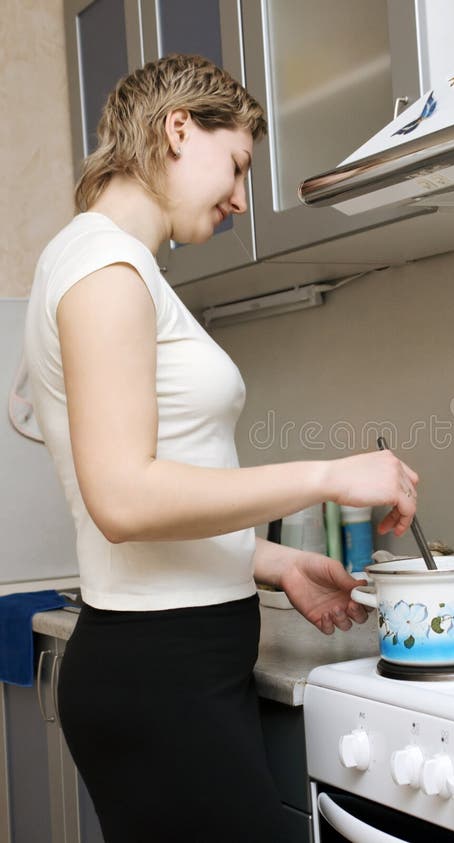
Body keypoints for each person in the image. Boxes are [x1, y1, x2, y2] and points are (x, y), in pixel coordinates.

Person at [24, 54, 419, 842]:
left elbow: (158, 483)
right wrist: (327, 475)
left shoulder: (116, 264)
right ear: (178, 129)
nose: (241, 197)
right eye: (237, 164)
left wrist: (268, 562)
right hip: (161, 677)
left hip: (172, 668)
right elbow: (125, 498)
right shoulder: (105, 267)